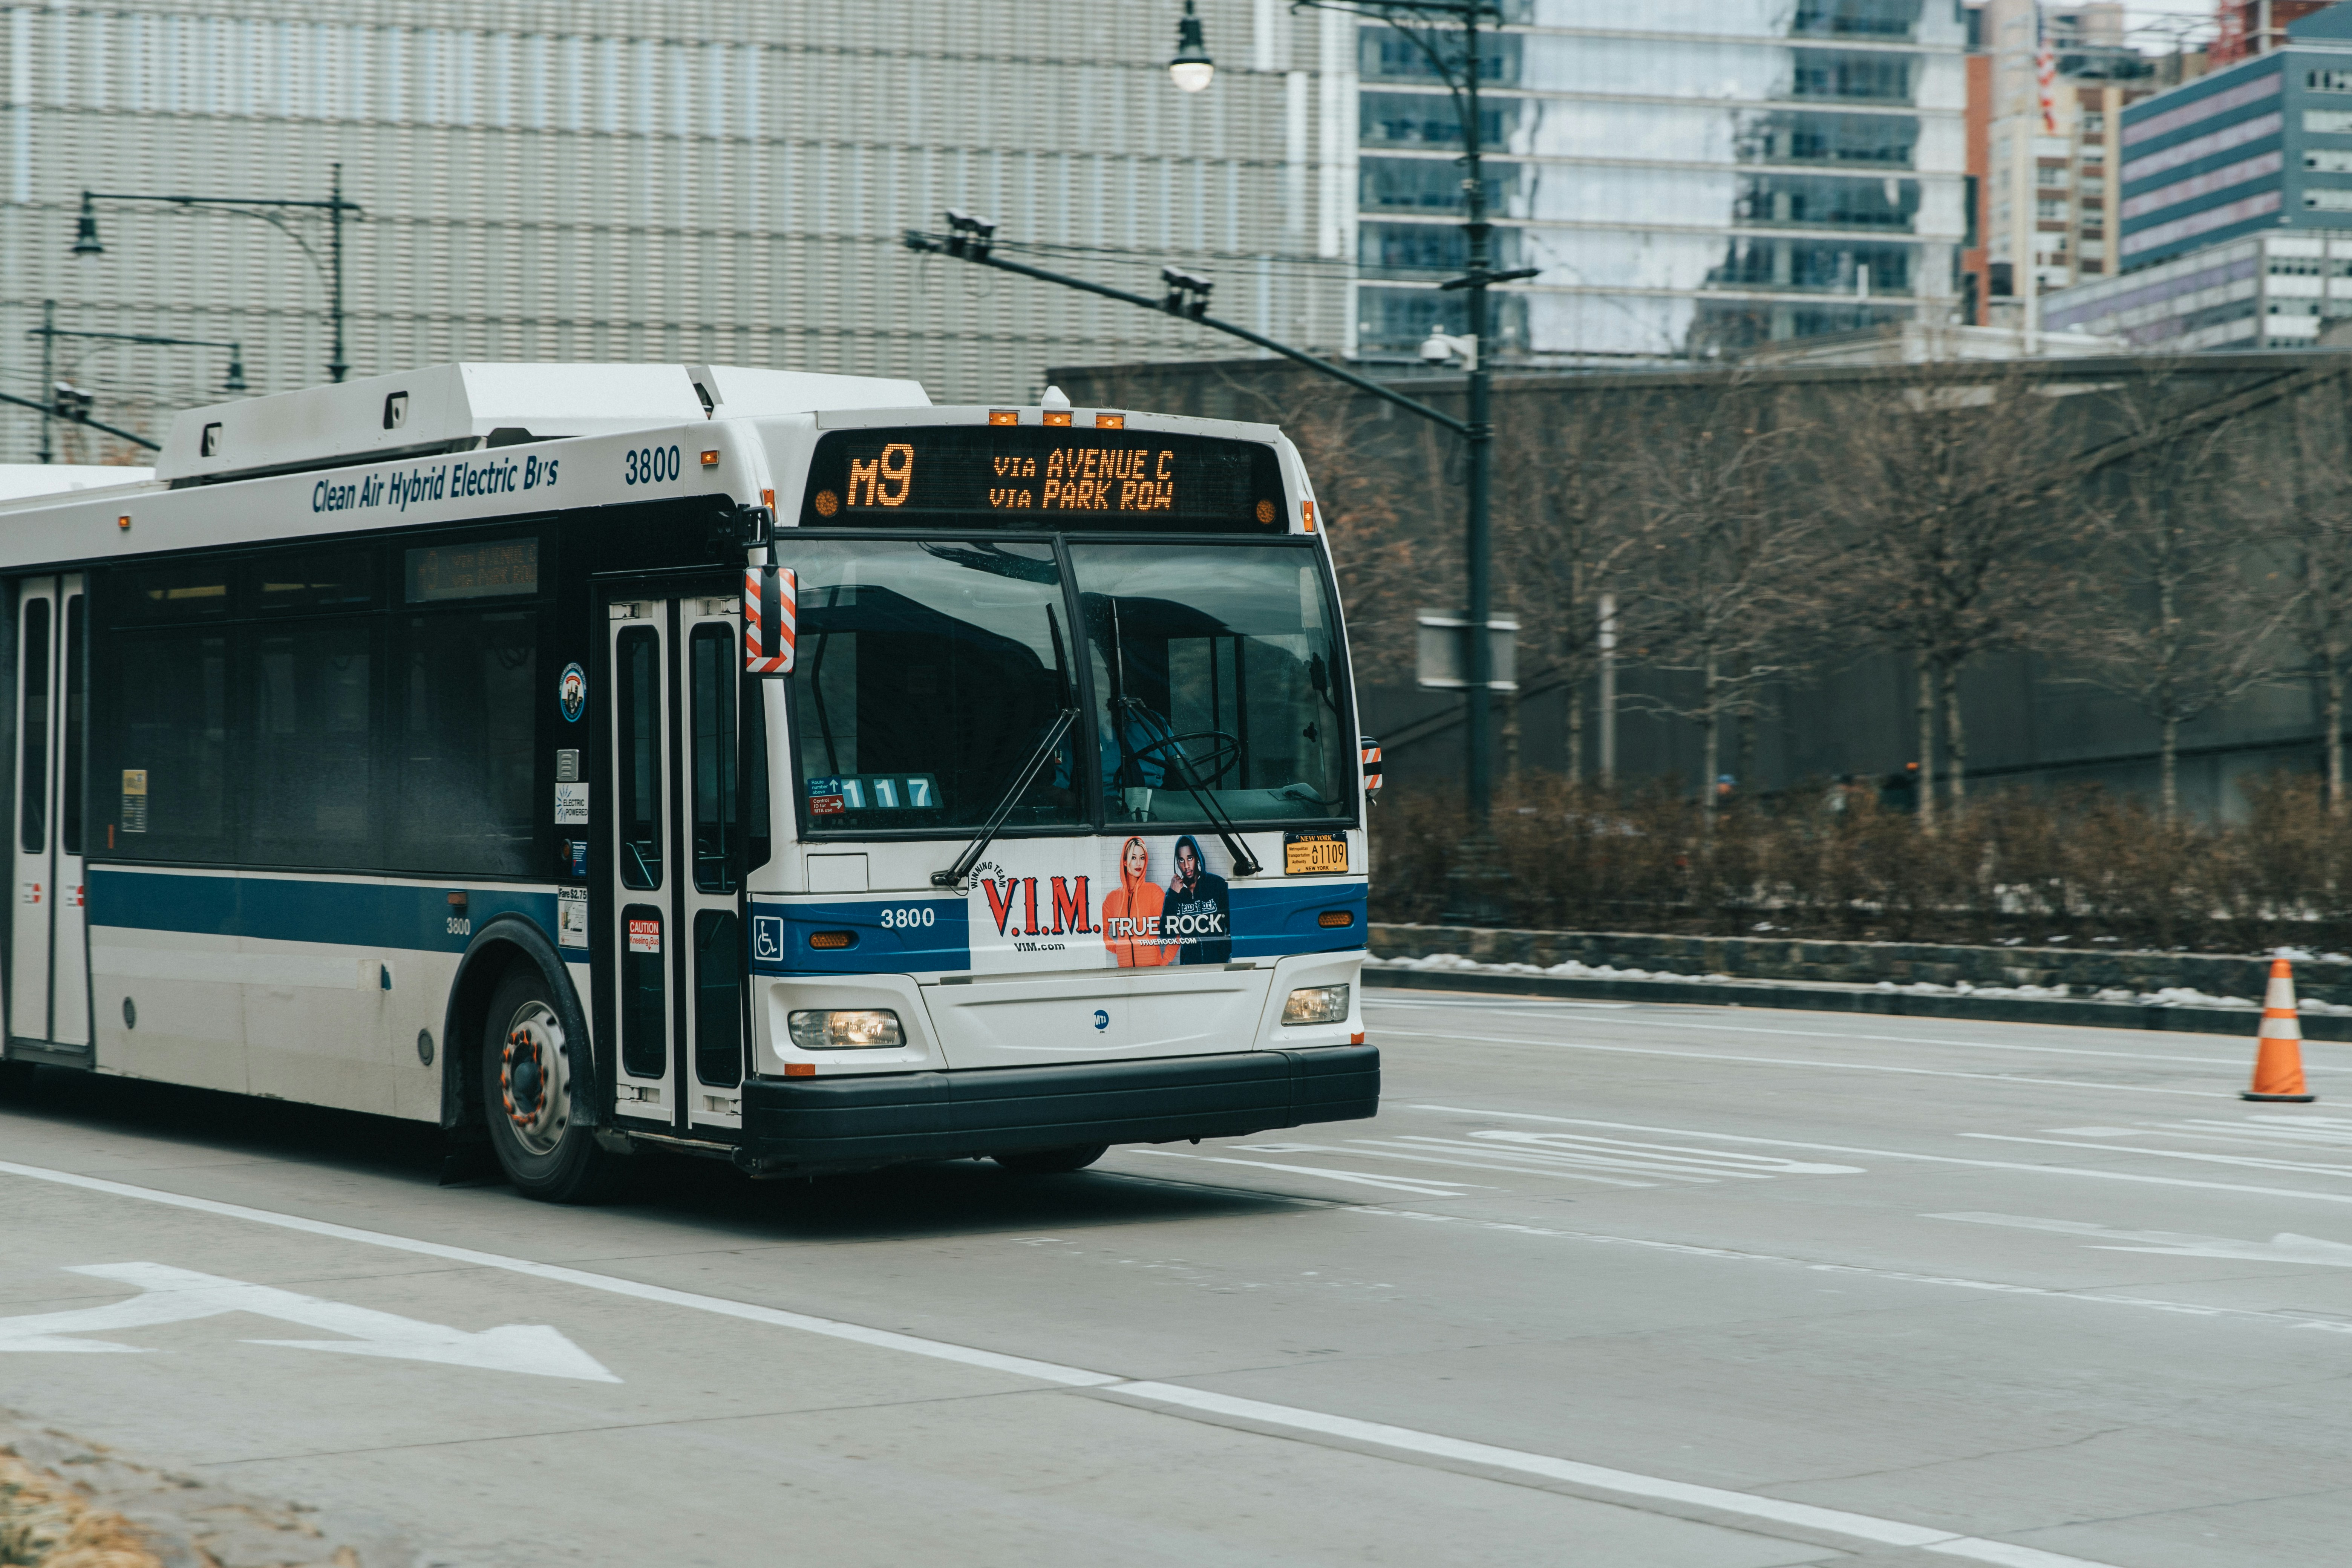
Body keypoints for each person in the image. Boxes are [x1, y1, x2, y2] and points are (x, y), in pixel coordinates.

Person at [1101, 836, 1174, 966]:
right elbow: (1099, 933)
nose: (1139, 863)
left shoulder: (1154, 892)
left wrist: (1166, 960)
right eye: (1133, 858)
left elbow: (1174, 928)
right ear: (1125, 861)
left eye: (1142, 858)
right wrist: (1118, 948)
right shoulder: (1113, 898)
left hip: (1152, 968)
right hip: (1125, 971)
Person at [1164, 834, 1232, 965]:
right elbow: (1166, 935)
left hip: (1218, 965)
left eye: (1190, 858)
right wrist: (1172, 895)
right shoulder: (1175, 892)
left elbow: (1232, 926)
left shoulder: (1217, 884)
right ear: (1177, 863)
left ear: (1197, 858)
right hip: (1189, 968)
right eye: (1182, 860)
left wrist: (1223, 956)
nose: (1187, 865)